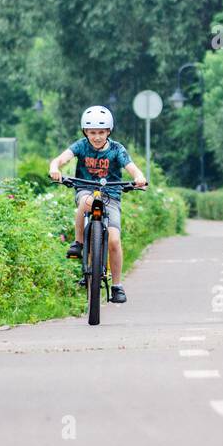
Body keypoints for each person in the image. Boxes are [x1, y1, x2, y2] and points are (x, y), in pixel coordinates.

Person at [48, 106, 148, 304]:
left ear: (108, 131)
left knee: (114, 241)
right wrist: (54, 167)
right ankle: (79, 243)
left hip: (111, 195)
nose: (97, 137)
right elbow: (61, 158)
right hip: (85, 189)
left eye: (101, 132)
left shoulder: (117, 149)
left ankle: (117, 286)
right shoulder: (81, 146)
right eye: (92, 132)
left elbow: (132, 168)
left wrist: (139, 178)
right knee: (87, 202)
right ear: (85, 132)